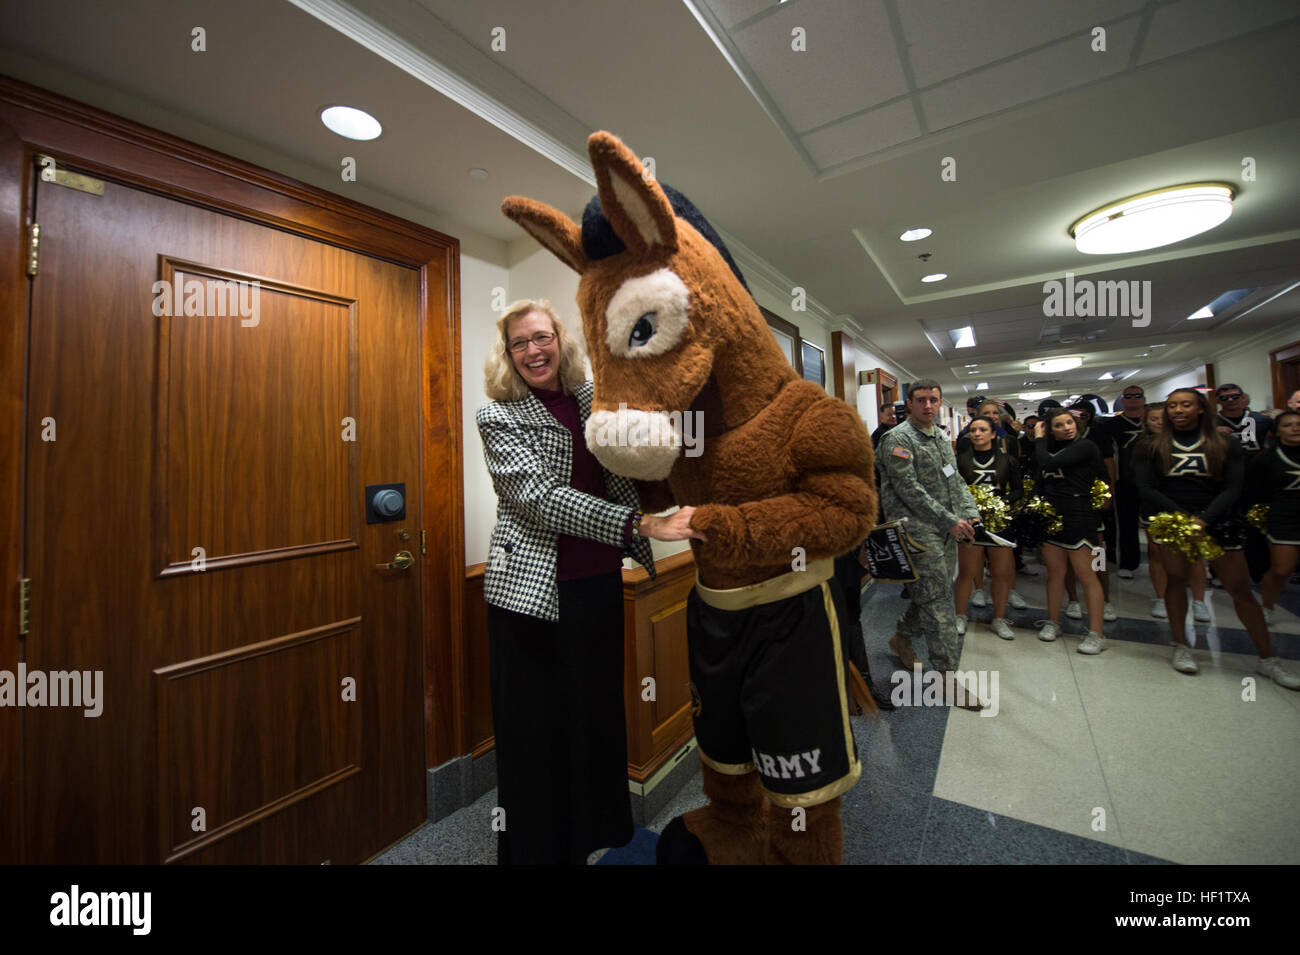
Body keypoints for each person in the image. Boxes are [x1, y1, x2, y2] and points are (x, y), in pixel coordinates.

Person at [476, 298, 699, 863]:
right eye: (519, 343)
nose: (533, 350)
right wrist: (642, 523)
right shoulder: (497, 416)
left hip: (597, 585)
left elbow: (631, 460)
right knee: (534, 732)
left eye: (541, 337)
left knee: (595, 717)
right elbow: (540, 498)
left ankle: (593, 834)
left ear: (561, 341)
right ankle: (534, 851)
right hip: (530, 601)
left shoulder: (592, 399)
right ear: (507, 356)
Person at [1134, 388, 1298, 687]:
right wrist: (1184, 518)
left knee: (1239, 588)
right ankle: (1181, 646)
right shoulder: (1150, 446)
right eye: (1172, 406)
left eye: (1185, 405)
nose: (1178, 410)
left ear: (1200, 409)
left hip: (1219, 522)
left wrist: (1205, 519)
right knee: (1176, 581)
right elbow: (1146, 488)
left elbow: (1234, 488)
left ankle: (1267, 658)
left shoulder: (1225, 443)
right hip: (1174, 522)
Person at [880, 380, 985, 709]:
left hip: (946, 528)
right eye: (921, 400)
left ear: (940, 403)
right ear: (908, 404)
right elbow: (909, 490)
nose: (928, 406)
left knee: (932, 592)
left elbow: (955, 481)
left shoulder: (940, 436)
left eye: (933, 400)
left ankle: (902, 638)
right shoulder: (897, 439)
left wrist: (972, 514)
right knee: (940, 603)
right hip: (917, 531)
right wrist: (949, 519)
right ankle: (946, 678)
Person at [1033, 408, 1109, 653]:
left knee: (1088, 575)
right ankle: (1053, 622)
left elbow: (1049, 463)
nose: (1067, 427)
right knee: (1055, 573)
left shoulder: (1086, 446)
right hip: (1053, 515)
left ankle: (1096, 633)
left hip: (1081, 515)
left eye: (1069, 422)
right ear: (1051, 429)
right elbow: (1041, 479)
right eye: (1059, 425)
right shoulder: (1047, 450)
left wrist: (1037, 439)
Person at [954, 415, 1025, 640]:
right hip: (970, 524)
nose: (977, 434)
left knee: (1000, 573)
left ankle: (999, 618)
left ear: (993, 434)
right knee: (966, 572)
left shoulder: (1008, 460)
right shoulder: (960, 460)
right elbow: (953, 490)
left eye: (983, 429)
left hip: (1000, 523)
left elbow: (1019, 490)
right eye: (973, 430)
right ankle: (960, 615)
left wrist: (1000, 502)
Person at [1138, 403, 1210, 621]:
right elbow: (1143, 483)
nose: (1159, 422)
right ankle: (1161, 597)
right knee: (1157, 555)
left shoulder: (1197, 443)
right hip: (1155, 507)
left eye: (1163, 418)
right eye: (1154, 419)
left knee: (1193, 554)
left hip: (1191, 507)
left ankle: (1199, 601)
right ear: (1147, 423)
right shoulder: (1144, 447)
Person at [1062, 398, 1118, 623]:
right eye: (1066, 420)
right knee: (1066, 558)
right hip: (1064, 508)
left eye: (1079, 417)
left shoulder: (1096, 440)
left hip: (1090, 508)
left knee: (1098, 554)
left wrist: (1107, 496)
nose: (1071, 424)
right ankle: (1073, 600)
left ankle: (1105, 599)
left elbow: (1108, 469)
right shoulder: (1053, 445)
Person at [1215, 383, 1275, 583]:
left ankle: (1258, 570)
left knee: (1255, 526)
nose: (1230, 401)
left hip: (1255, 481)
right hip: (1222, 481)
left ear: (1242, 397)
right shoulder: (1210, 423)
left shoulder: (1262, 420)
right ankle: (1221, 572)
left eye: (1234, 396)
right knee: (1222, 526)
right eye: (1224, 398)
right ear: (1218, 401)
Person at [1253, 410, 1300, 623]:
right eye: (1287, 425)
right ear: (1277, 431)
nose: (1295, 428)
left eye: (1298, 424)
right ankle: (1268, 605)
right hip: (1284, 517)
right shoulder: (1266, 458)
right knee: (1282, 570)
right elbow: (1256, 490)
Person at [1101, 385, 1147, 579]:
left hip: (1154, 483)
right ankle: (1127, 562)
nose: (1134, 399)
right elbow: (1108, 457)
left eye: (1137, 396)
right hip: (1125, 481)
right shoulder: (1112, 426)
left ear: (1143, 398)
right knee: (1125, 525)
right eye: (1129, 396)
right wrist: (1110, 485)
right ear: (1123, 399)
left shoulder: (1157, 422)